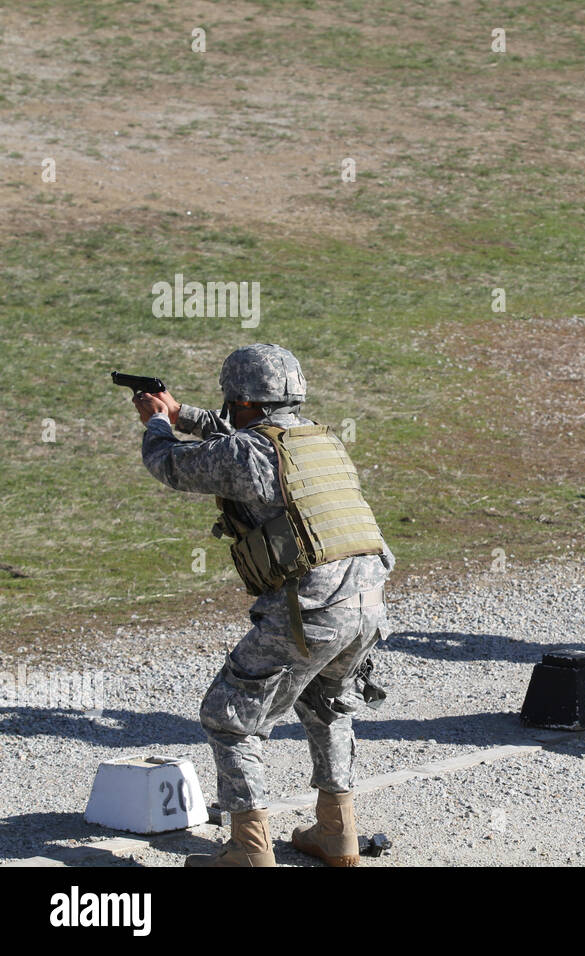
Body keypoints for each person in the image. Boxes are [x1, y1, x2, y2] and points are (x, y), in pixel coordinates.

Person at [131, 344, 394, 866]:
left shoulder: (246, 451)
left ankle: (248, 852)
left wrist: (159, 424)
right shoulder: (318, 438)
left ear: (240, 398)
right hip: (368, 601)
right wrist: (185, 414)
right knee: (327, 705)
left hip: (310, 609)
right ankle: (336, 834)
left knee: (228, 716)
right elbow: (247, 446)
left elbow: (169, 465)